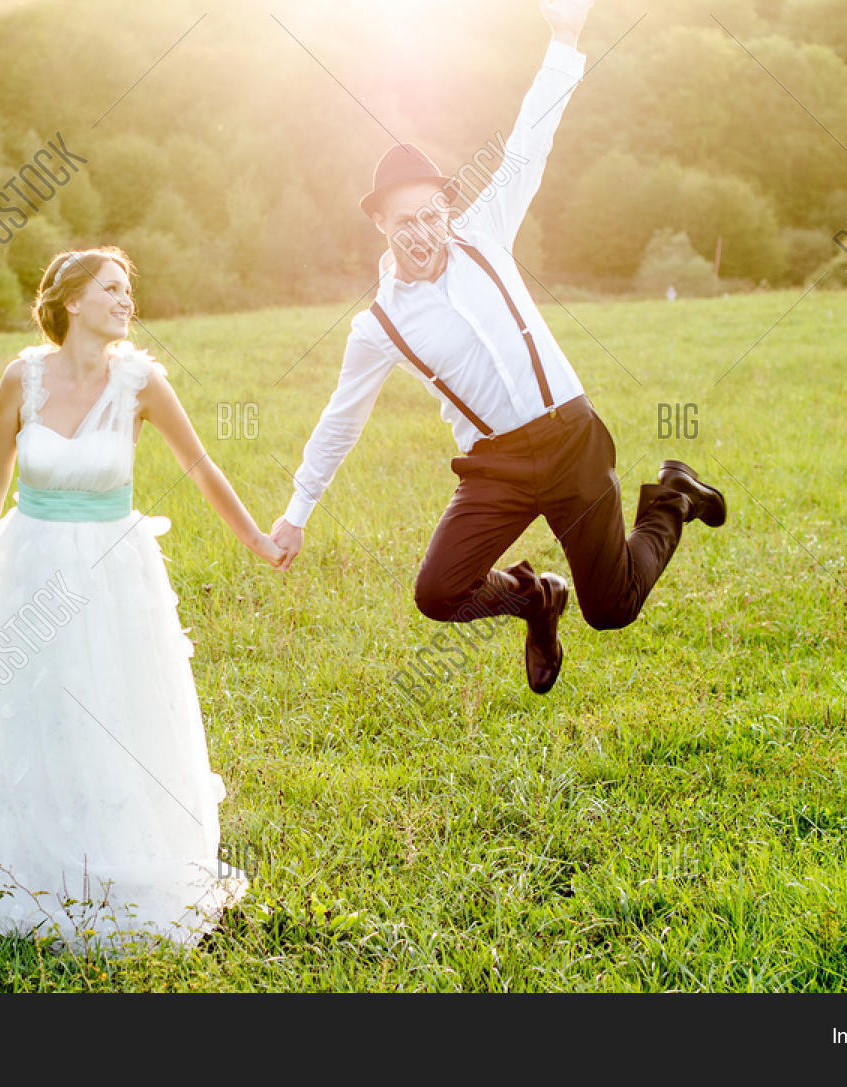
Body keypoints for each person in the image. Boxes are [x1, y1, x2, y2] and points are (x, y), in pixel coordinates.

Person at [269, 0, 726, 695]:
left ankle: (670, 497)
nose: (422, 231)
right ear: (381, 225)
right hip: (496, 468)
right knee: (437, 592)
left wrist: (564, 38)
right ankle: (536, 599)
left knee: (612, 608)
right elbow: (342, 419)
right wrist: (297, 513)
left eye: (432, 214)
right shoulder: (380, 325)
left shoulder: (485, 235)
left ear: (447, 209)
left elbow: (528, 141)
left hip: (569, 438)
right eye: (405, 220)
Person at [0, 246, 283, 953]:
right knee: (29, 710)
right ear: (72, 301)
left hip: (112, 572)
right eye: (111, 288)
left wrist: (255, 537)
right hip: (29, 566)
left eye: (129, 289)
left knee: (114, 709)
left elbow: (198, 465)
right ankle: (20, 868)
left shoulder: (142, 383)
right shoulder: (21, 377)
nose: (127, 300)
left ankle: (116, 864)